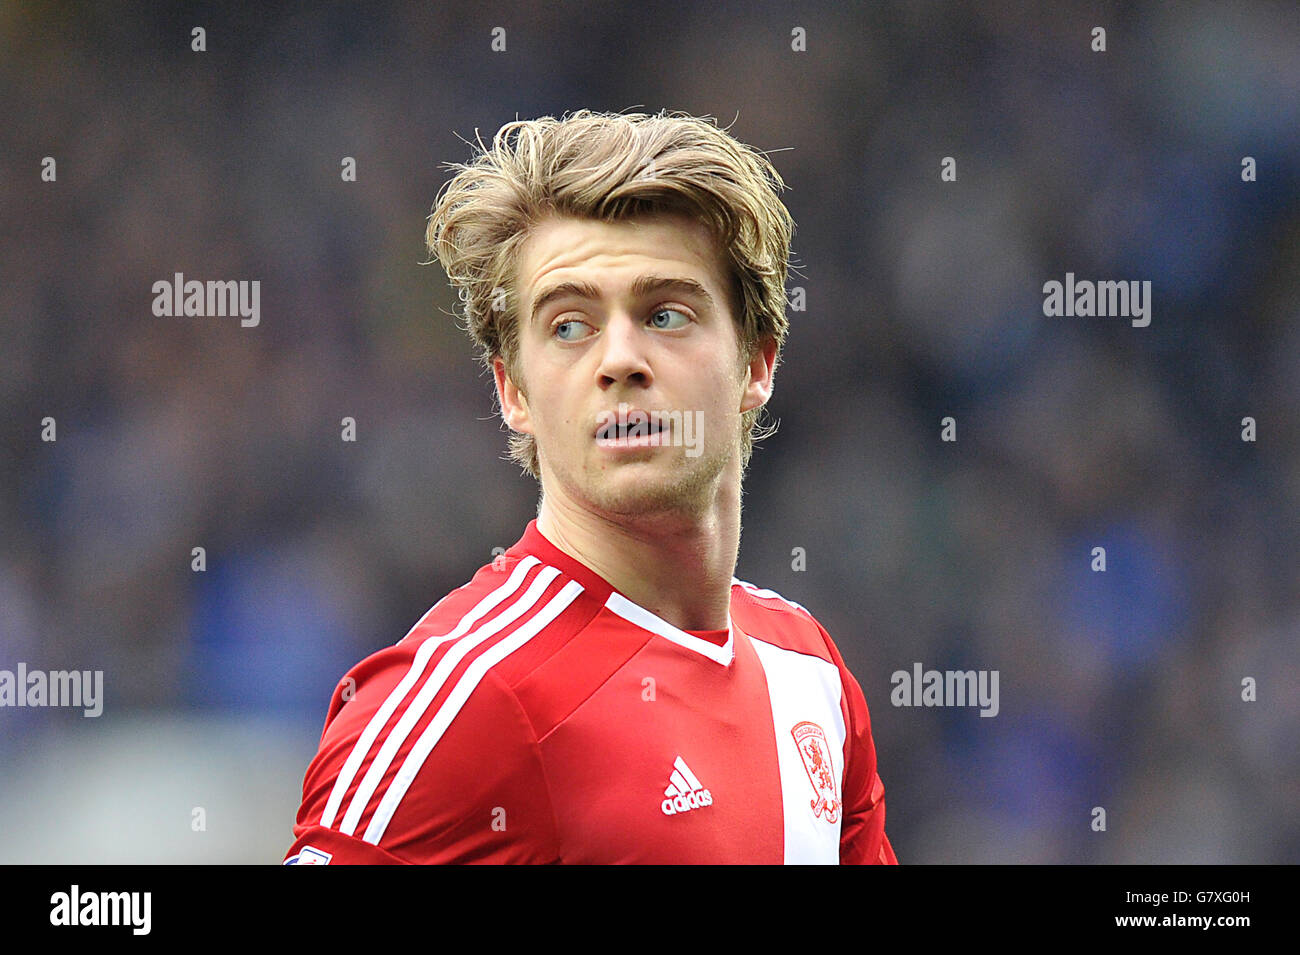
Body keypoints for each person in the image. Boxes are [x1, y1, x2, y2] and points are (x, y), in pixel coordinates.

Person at [284, 109, 897, 864]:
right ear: (514, 392)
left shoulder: (811, 672)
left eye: (665, 313)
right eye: (569, 325)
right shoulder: (466, 697)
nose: (620, 359)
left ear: (757, 362)